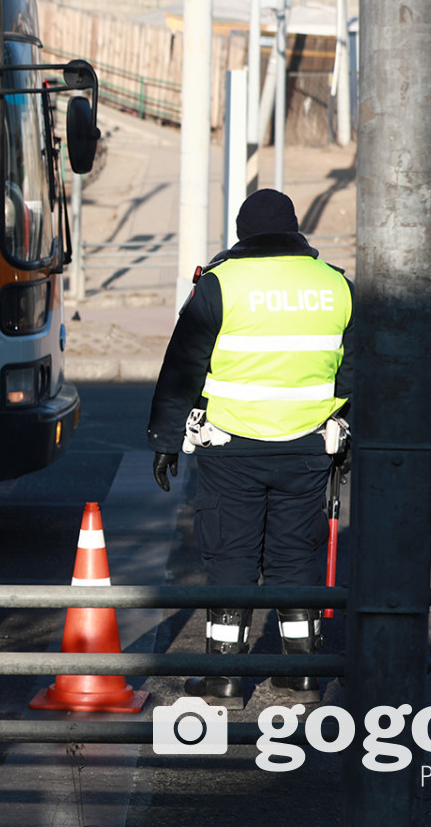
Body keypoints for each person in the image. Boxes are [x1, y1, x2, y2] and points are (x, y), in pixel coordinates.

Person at [147, 189, 354, 708]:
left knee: (231, 554)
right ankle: (303, 672)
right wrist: (343, 428)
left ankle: (224, 678)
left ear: (243, 231)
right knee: (293, 552)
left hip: (231, 447)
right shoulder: (335, 285)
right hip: (307, 446)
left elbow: (184, 367)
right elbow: (355, 371)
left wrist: (167, 439)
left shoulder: (221, 284)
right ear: (295, 228)